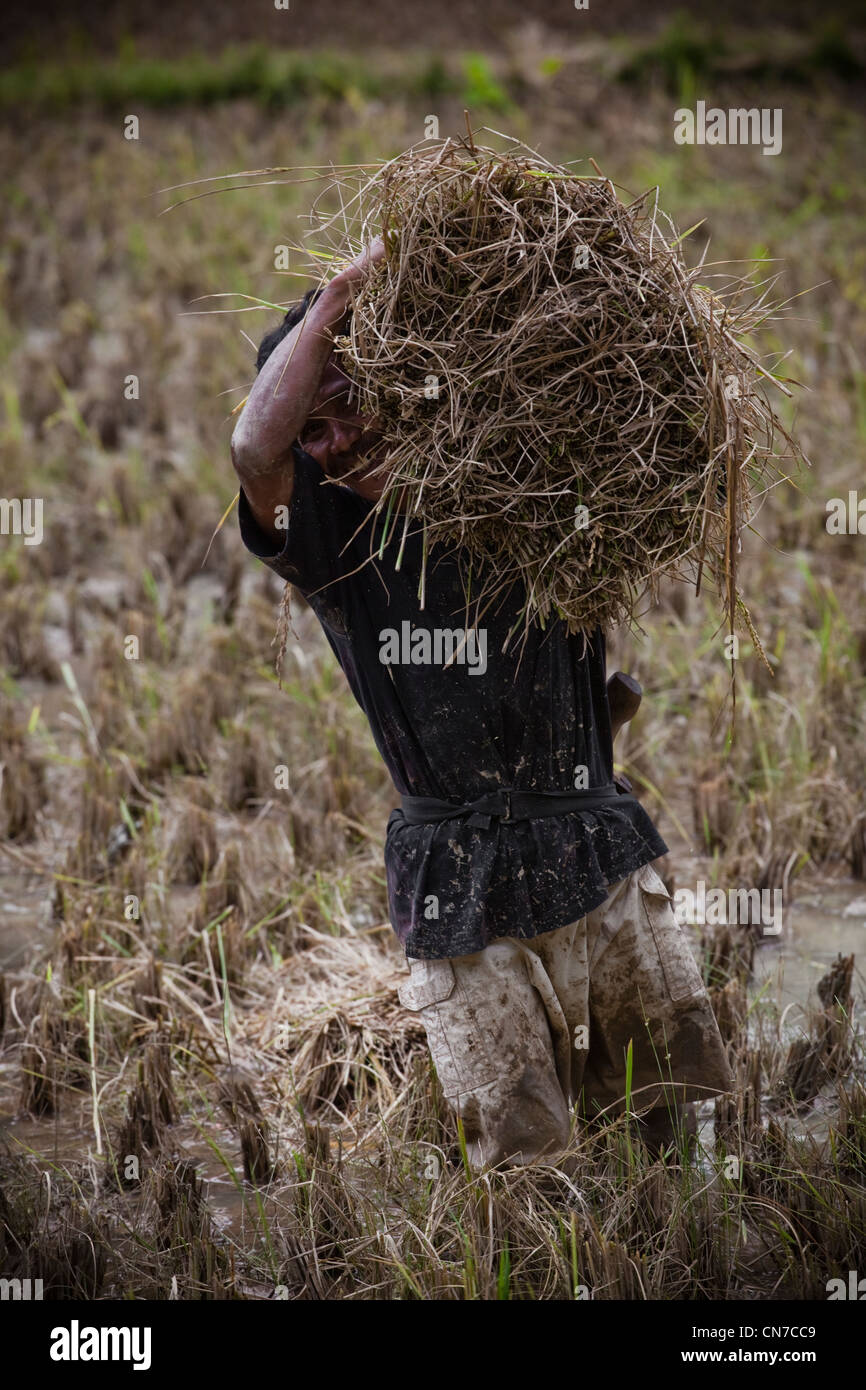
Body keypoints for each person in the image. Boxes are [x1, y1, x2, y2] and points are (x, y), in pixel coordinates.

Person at [230, 238, 732, 1168]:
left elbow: (674, 417)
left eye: (353, 405)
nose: (338, 440)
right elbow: (255, 445)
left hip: (598, 851)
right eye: (318, 429)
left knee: (671, 1142)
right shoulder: (328, 542)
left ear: (419, 382)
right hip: (458, 888)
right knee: (525, 1161)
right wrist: (339, 294)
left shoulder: (530, 483)